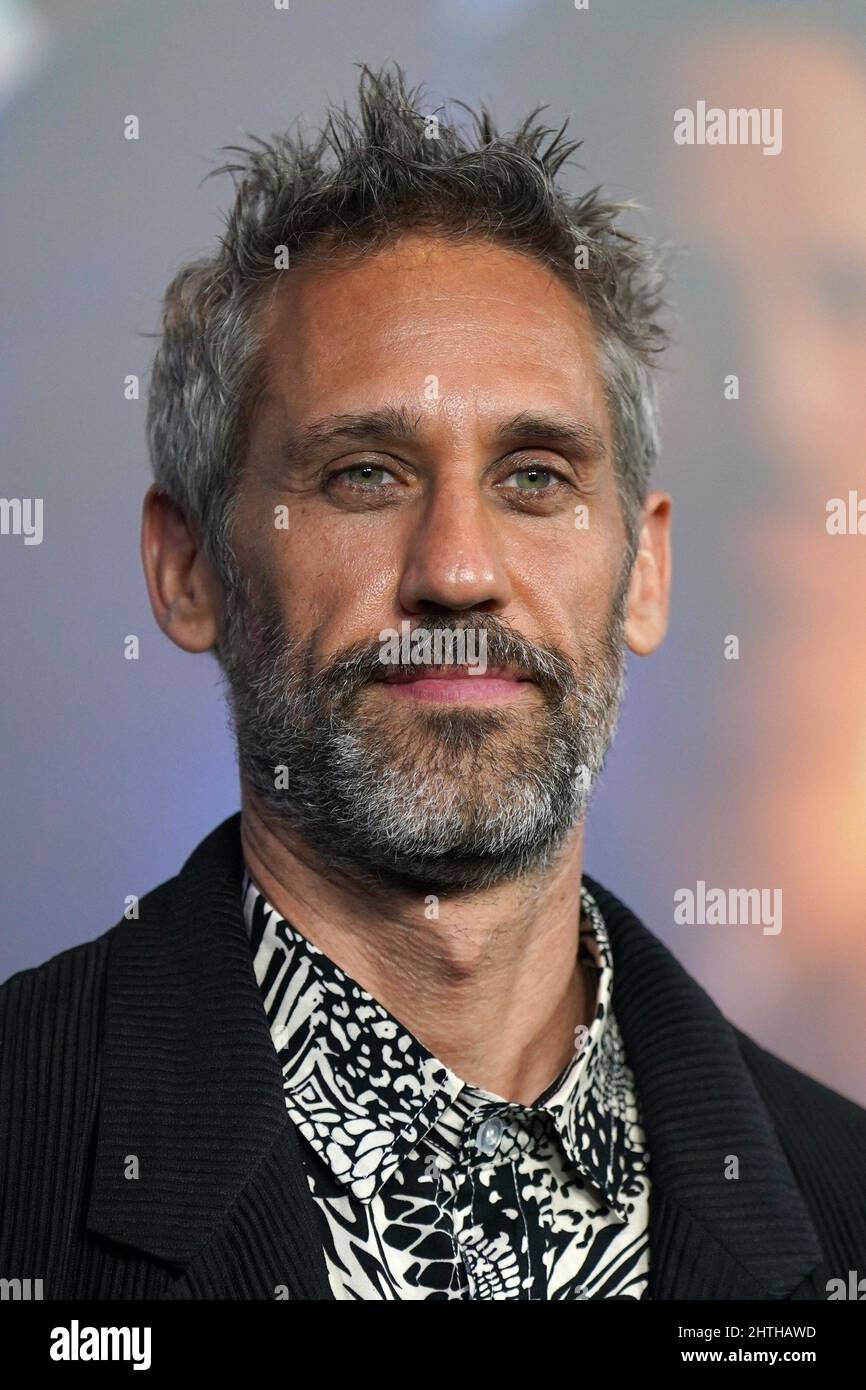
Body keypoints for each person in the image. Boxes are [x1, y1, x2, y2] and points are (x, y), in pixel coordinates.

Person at [1, 62, 863, 1302]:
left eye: (533, 478)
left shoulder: (842, 1207)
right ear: (185, 567)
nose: (458, 571)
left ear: (643, 573)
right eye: (364, 474)